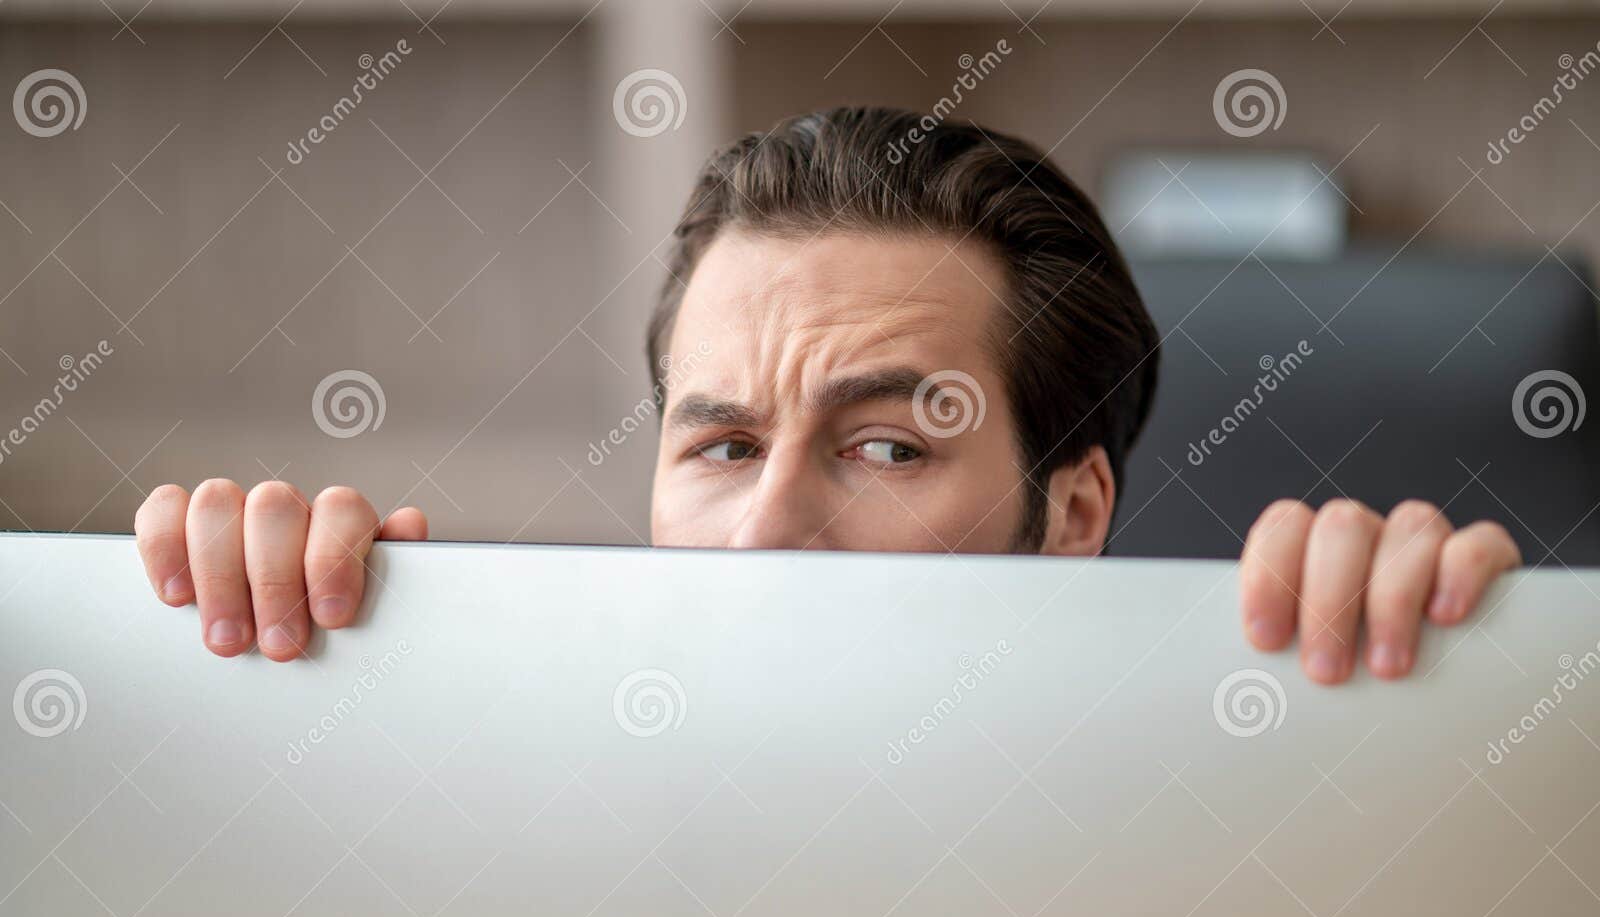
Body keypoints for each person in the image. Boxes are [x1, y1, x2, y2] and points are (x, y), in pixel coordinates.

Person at [130, 107, 1520, 686]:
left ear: (1072, 507)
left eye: (886, 446)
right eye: (724, 443)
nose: (763, 530)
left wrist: (1440, 701)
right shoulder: (501, 812)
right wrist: (284, 707)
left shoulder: (1221, 824)